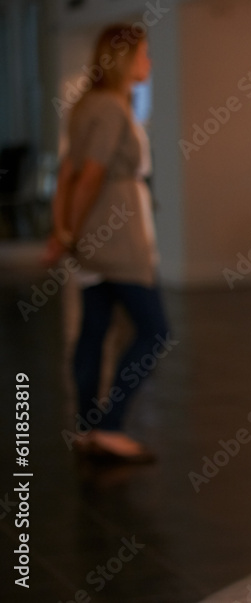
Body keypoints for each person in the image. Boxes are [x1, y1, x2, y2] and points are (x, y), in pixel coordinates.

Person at [43, 24, 169, 463]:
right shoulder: (111, 109)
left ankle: (87, 427)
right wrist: (68, 232)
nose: (148, 63)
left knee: (94, 329)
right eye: (143, 54)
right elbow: (90, 174)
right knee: (154, 329)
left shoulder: (88, 106)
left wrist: (64, 230)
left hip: (94, 237)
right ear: (124, 59)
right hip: (114, 237)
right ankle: (110, 425)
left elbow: (68, 172)